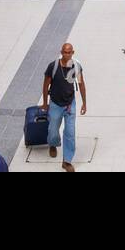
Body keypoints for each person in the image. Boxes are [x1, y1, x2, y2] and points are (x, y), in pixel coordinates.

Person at [42, 43, 86, 172]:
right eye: (65, 52)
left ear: (73, 52)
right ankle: (53, 144)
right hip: (55, 103)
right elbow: (45, 86)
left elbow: (81, 84)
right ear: (61, 52)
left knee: (70, 133)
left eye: (69, 52)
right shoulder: (53, 66)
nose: (67, 54)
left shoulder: (76, 66)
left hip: (69, 104)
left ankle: (67, 161)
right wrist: (45, 103)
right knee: (53, 131)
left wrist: (84, 103)